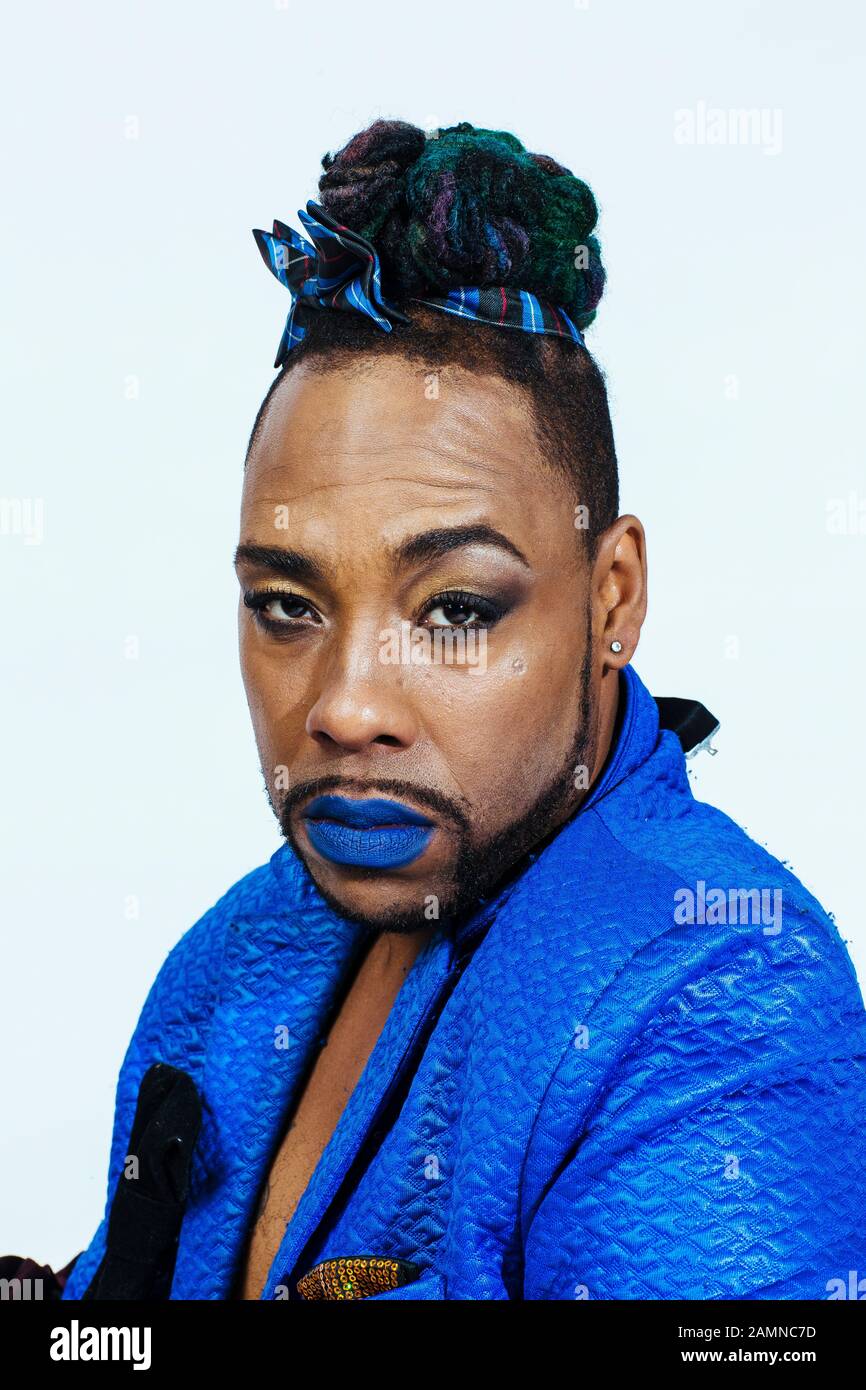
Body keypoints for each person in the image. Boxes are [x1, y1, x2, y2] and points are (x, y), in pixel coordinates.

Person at [52, 120, 865, 1300]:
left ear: (610, 598)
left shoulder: (727, 985)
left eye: (455, 609)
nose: (344, 706)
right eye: (287, 605)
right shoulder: (230, 957)